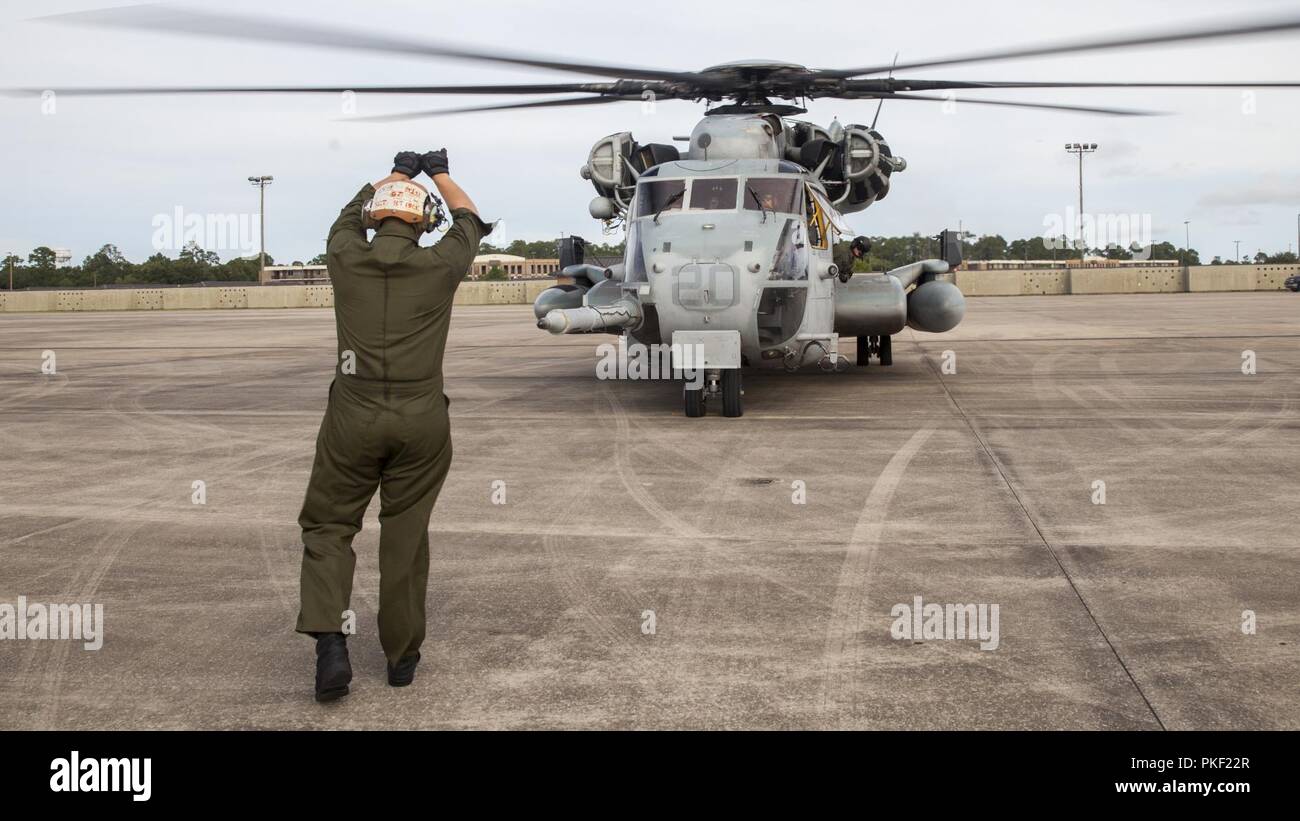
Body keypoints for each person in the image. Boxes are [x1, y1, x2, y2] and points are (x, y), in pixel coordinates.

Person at [296, 149, 492, 702]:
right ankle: (401, 658)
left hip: (351, 415)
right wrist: (441, 173)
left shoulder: (344, 255)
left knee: (329, 526)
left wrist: (399, 173)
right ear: (424, 222)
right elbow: (470, 219)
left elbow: (348, 213)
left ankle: (330, 641)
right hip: (421, 419)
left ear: (372, 217)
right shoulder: (440, 265)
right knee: (405, 537)